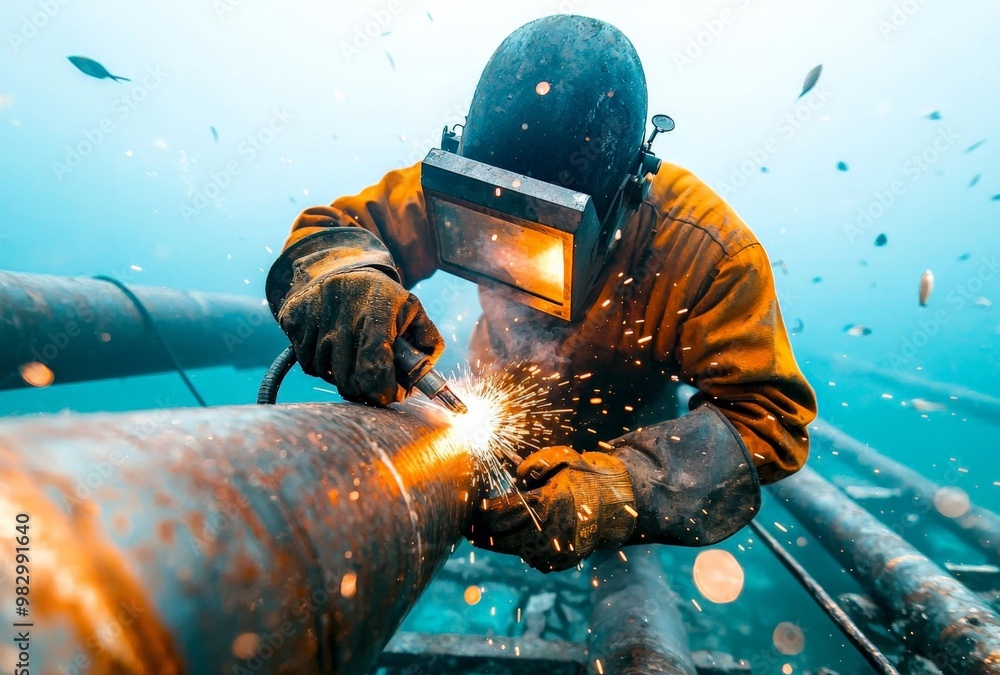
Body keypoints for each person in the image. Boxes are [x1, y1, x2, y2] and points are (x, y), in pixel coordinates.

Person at [265, 15, 817, 573]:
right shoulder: (472, 182)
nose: (510, 262)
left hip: (631, 442)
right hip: (501, 406)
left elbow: (766, 417)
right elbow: (337, 231)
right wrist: (345, 279)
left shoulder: (708, 255)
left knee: (625, 574)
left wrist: (615, 495)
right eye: (487, 229)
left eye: (539, 244)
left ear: (625, 200)